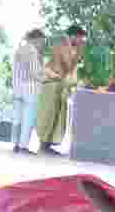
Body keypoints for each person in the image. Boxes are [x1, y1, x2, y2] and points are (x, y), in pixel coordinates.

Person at [35, 24, 86, 155]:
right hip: (52, 83)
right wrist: (78, 52)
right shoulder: (62, 46)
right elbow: (69, 65)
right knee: (49, 114)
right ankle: (43, 146)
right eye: (80, 38)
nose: (81, 41)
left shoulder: (74, 49)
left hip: (61, 84)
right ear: (73, 36)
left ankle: (47, 145)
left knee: (58, 116)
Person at [10, 28, 44, 152]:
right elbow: (34, 72)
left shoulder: (19, 50)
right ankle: (23, 146)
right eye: (41, 42)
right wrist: (45, 78)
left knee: (17, 117)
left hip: (17, 87)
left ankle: (16, 144)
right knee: (28, 118)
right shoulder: (32, 50)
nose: (41, 45)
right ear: (37, 39)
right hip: (30, 88)